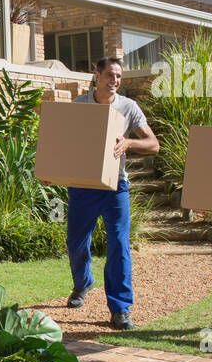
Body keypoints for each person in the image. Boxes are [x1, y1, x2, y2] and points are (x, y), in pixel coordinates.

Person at [65, 57, 160, 330]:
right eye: (110, 75)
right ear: (97, 75)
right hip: (82, 186)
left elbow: (153, 144)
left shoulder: (129, 108)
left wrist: (129, 142)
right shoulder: (78, 107)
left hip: (115, 186)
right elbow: (64, 144)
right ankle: (83, 283)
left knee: (119, 244)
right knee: (75, 242)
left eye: (118, 76)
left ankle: (120, 309)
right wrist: (54, 171)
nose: (115, 81)